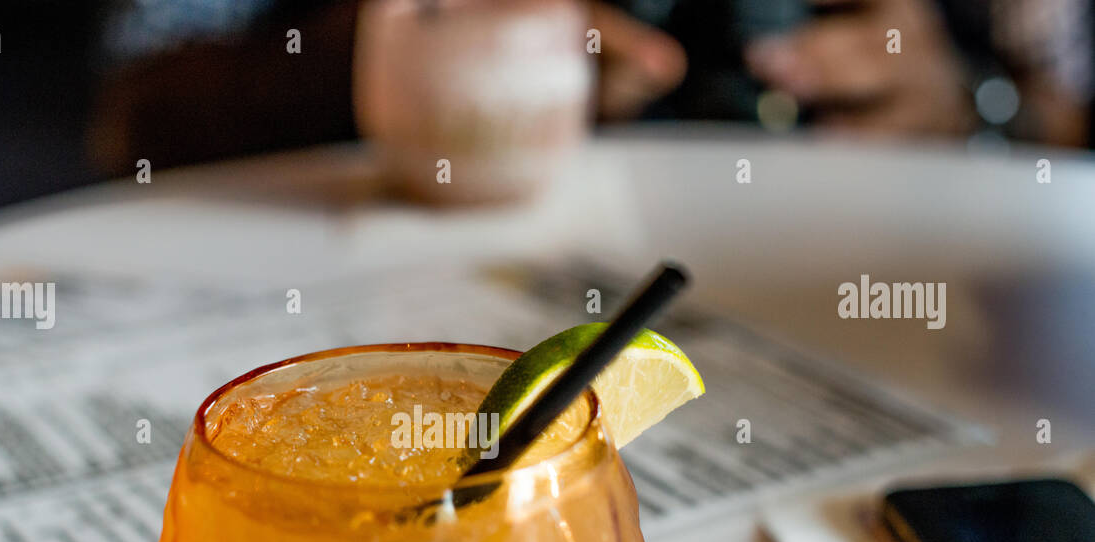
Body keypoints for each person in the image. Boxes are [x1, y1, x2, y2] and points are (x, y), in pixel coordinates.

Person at [90, 0, 1093, 175]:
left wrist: (975, 104)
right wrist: (404, 54)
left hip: (848, 322)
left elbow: (1066, 129)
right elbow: (133, 116)